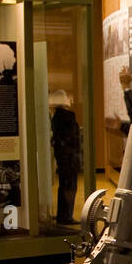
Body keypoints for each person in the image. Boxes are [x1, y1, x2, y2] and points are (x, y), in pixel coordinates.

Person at [48, 89, 81, 225]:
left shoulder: (56, 116)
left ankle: (63, 214)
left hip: (62, 156)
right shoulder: (68, 116)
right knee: (70, 186)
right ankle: (66, 216)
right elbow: (72, 137)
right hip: (69, 156)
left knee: (63, 185)